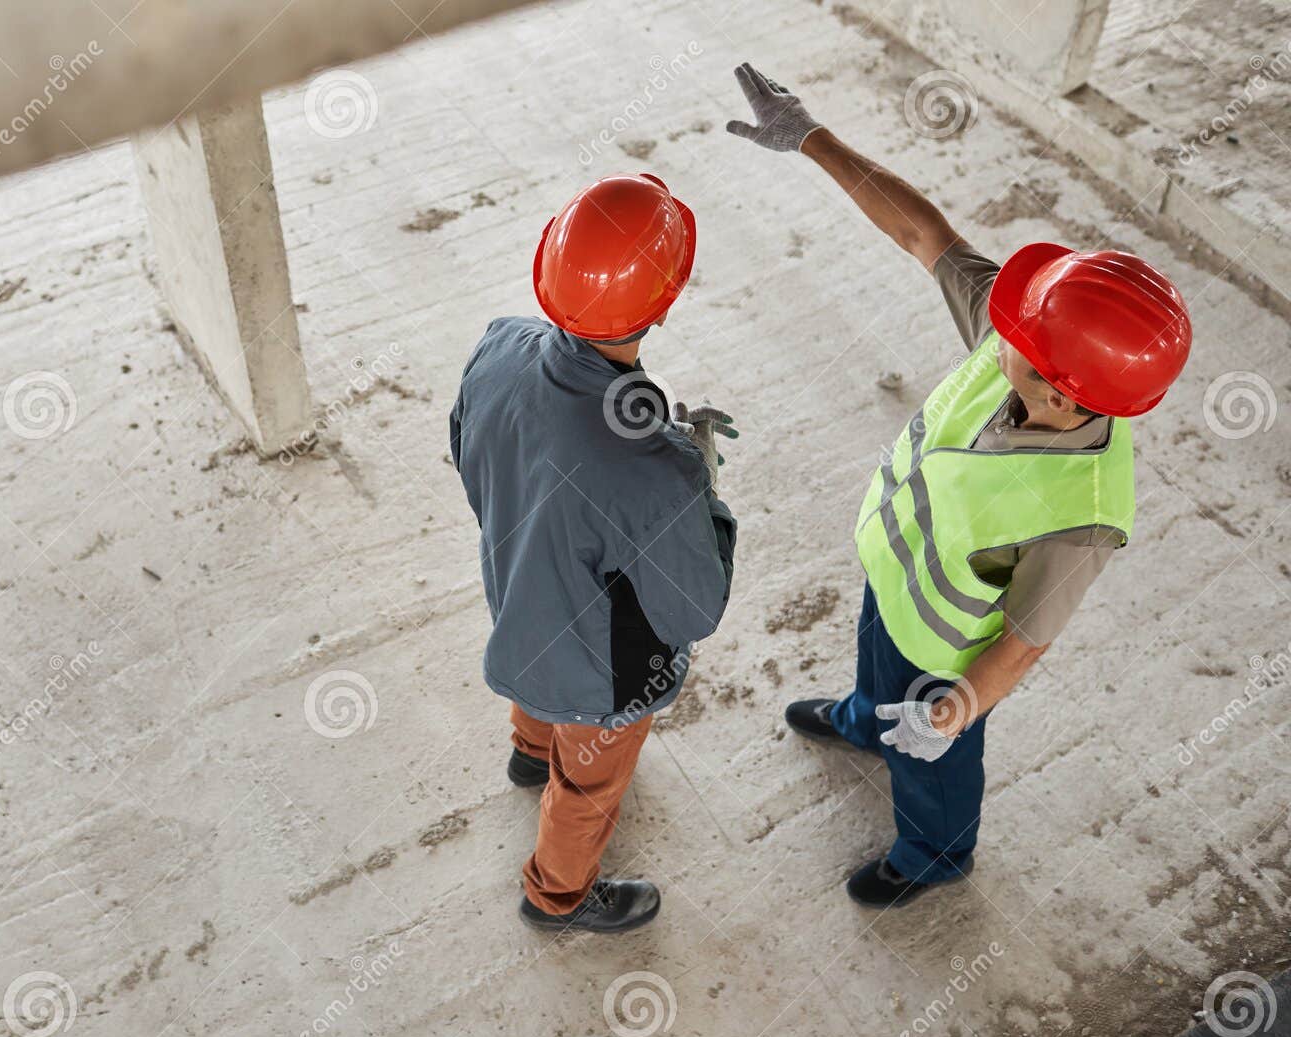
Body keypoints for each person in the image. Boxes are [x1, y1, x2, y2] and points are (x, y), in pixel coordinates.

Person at [725, 64, 1192, 907]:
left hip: (947, 654)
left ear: (1060, 391)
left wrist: (958, 708)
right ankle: (865, 719)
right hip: (896, 575)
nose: (999, 315)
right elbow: (921, 234)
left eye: (1019, 326)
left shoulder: (1084, 515)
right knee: (876, 669)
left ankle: (937, 850)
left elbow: (1028, 638)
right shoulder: (1020, 350)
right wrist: (811, 138)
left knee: (931, 751)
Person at [449, 173, 739, 933]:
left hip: (518, 592)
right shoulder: (654, 466)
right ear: (665, 302)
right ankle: (559, 894)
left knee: (538, 624)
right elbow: (691, 608)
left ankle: (526, 748)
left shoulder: (498, 347)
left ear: (548, 267)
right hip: (599, 669)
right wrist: (697, 483)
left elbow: (468, 453)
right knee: (586, 786)